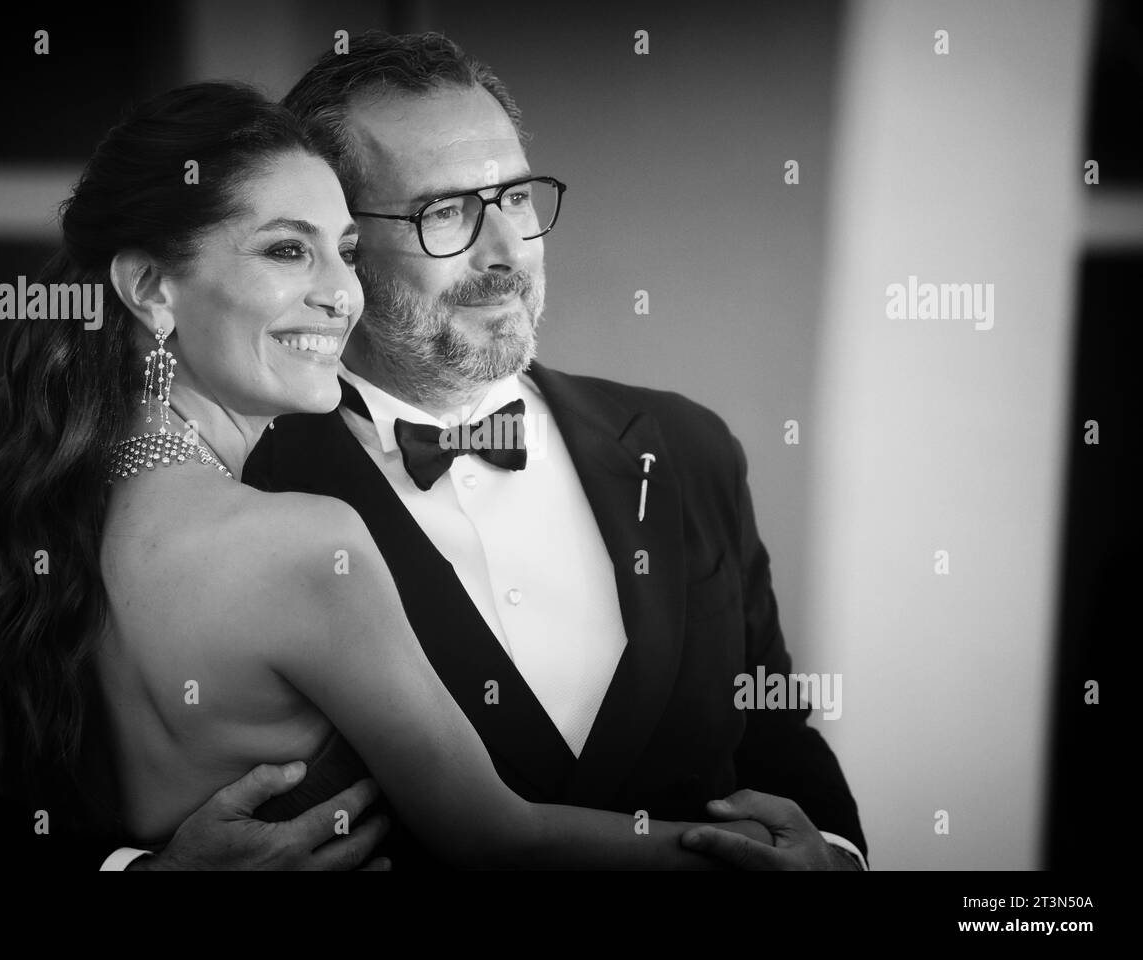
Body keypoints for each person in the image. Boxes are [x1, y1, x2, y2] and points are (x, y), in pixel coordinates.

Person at [0, 81, 772, 871]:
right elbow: (496, 839)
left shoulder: (55, 512)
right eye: (286, 250)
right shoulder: (300, 533)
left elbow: (774, 738)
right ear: (152, 289)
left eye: (341, 250)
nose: (341, 292)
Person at [236, 31, 869, 872]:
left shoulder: (686, 448)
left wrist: (835, 858)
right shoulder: (241, 489)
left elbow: (781, 751)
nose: (507, 254)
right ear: (338, 246)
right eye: (447, 212)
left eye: (517, 199)